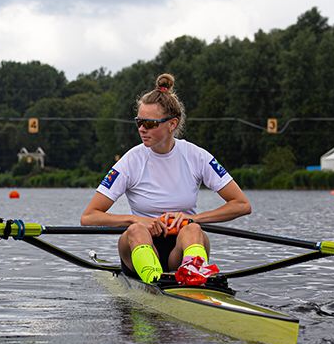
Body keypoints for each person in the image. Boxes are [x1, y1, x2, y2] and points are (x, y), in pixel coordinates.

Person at [80, 73, 251, 283]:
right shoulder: (130, 160)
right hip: (139, 244)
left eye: (150, 124)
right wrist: (136, 219)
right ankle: (156, 282)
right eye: (139, 122)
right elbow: (89, 216)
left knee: (193, 230)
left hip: (180, 248)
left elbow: (242, 204)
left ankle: (192, 275)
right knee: (135, 230)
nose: (142, 129)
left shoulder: (197, 156)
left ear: (172, 124)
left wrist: (193, 218)